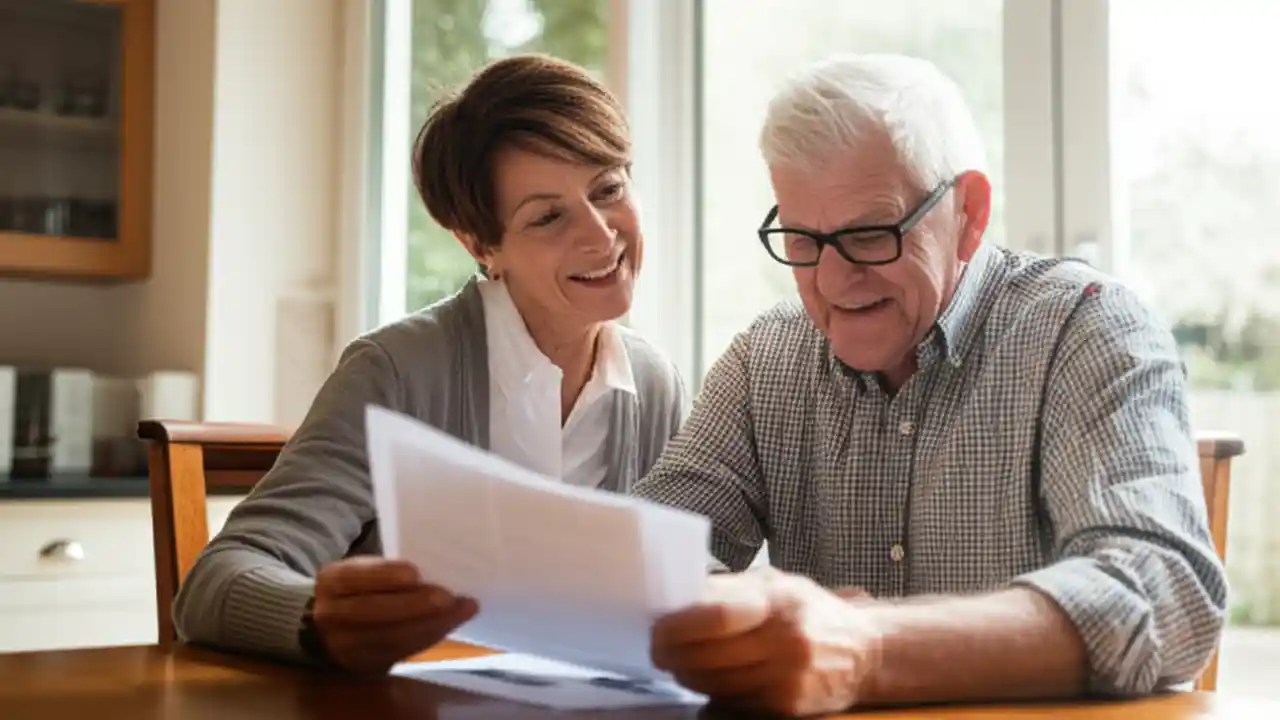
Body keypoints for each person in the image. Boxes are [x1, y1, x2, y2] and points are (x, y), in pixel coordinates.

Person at [634, 54, 1225, 716]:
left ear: (968, 212)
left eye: (869, 234)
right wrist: (737, 617)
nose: (830, 282)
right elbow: (645, 551)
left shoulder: (1084, 327)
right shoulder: (766, 357)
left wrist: (869, 647)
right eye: (802, 240)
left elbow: (1165, 596)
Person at [174, 55, 685, 672]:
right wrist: (318, 618)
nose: (602, 236)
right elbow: (213, 585)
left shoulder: (655, 385)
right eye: (548, 217)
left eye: (608, 189)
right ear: (481, 246)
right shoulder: (396, 370)